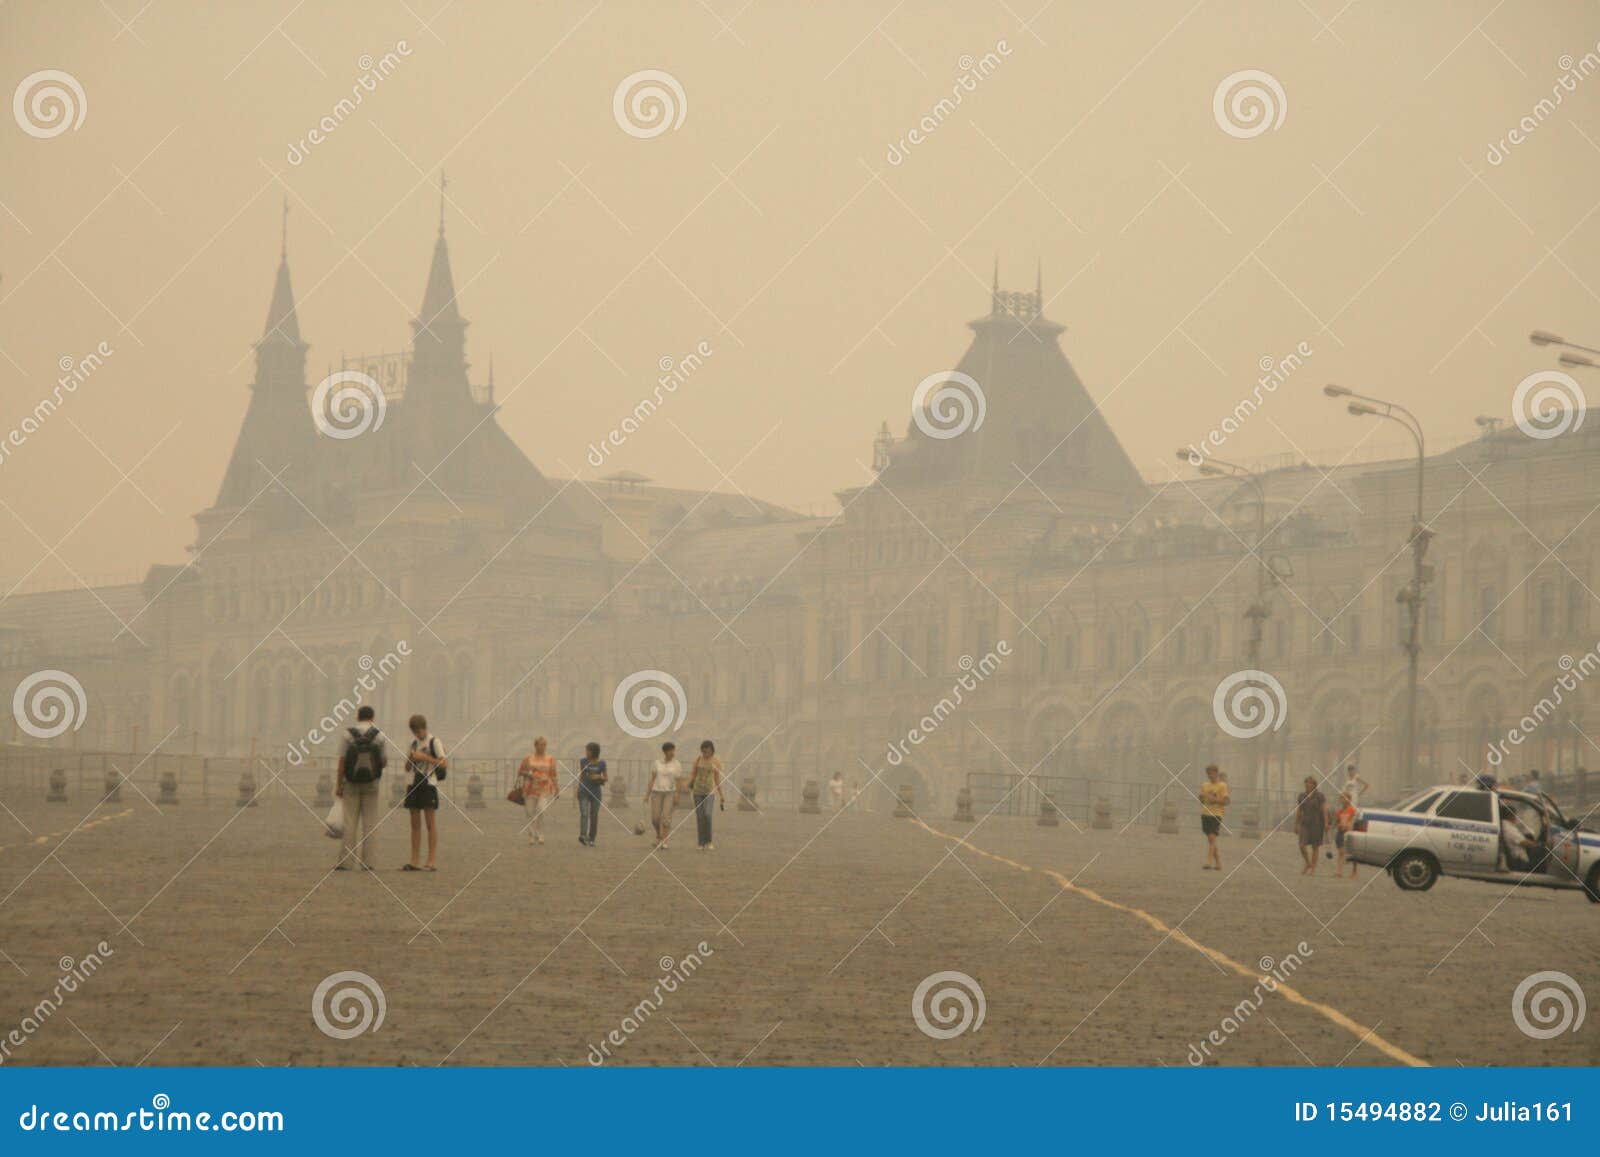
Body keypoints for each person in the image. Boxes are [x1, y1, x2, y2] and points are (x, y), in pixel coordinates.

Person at [335, 705, 386, 870]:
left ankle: (346, 862)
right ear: (372, 718)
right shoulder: (379, 736)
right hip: (371, 784)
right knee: (370, 823)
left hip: (351, 783)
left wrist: (338, 784)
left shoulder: (347, 734)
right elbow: (383, 761)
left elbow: (342, 761)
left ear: (358, 717)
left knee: (350, 823)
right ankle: (368, 862)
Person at [403, 714, 447, 871]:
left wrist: (425, 757)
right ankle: (414, 860)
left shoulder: (434, 741)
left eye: (418, 731)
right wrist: (411, 758)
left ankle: (431, 860)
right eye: (414, 732)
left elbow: (444, 763)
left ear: (424, 728)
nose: (417, 734)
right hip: (413, 783)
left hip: (429, 784)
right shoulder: (413, 743)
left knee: (430, 824)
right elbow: (407, 768)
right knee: (415, 825)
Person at [516, 735, 559, 846]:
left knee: (541, 810)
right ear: (535, 746)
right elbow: (520, 771)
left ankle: (540, 834)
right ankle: (531, 835)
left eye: (544, 745)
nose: (543, 747)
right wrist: (528, 774)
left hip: (544, 789)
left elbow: (553, 774)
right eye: (540, 745)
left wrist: (557, 789)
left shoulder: (550, 759)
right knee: (530, 812)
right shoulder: (528, 759)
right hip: (529, 789)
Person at [690, 740, 724, 850]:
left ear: (712, 750)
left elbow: (717, 778)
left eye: (708, 751)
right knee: (700, 817)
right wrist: (688, 785)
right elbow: (693, 774)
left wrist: (721, 794)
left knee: (708, 815)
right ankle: (701, 843)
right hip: (697, 792)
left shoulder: (716, 761)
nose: (706, 754)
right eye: (704, 751)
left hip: (710, 792)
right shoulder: (698, 760)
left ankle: (708, 841)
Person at [647, 741, 682, 849]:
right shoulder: (657, 763)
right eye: (670, 751)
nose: (672, 753)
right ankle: (659, 835)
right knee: (655, 818)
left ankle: (664, 840)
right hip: (656, 792)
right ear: (665, 751)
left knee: (666, 817)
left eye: (673, 750)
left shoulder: (677, 764)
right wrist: (647, 794)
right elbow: (653, 779)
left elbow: (678, 781)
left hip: (670, 793)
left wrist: (677, 794)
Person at [1295, 776, 1329, 875]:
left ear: (1314, 785)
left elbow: (1324, 810)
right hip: (1305, 823)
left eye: (1310, 783)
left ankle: (1313, 868)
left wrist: (1326, 823)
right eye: (1306, 782)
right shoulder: (1302, 796)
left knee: (1315, 847)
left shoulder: (1319, 796)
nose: (1308, 784)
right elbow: (1299, 810)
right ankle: (1307, 863)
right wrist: (1296, 824)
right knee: (1302, 845)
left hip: (1317, 824)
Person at [1197, 763, 1228, 871]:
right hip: (1205, 814)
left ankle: (1208, 860)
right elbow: (1202, 800)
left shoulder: (1222, 786)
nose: (1210, 776)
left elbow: (1226, 801)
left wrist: (1214, 799)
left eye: (1212, 773)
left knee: (1212, 838)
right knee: (1211, 840)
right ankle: (1218, 863)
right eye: (1209, 774)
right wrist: (1201, 797)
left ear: (1216, 773)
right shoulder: (1205, 785)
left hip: (1216, 814)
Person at [577, 741, 606, 846]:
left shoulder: (602, 763)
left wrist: (598, 777)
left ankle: (592, 838)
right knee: (584, 813)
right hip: (583, 791)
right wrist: (578, 788)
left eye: (588, 750)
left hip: (596, 792)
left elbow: (605, 777)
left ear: (594, 752)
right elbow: (583, 774)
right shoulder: (583, 761)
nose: (586, 752)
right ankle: (583, 835)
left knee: (594, 815)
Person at [1500, 805, 1540, 871]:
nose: (1516, 817)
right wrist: (1537, 844)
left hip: (1517, 860)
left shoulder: (1506, 825)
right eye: (1515, 815)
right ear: (1511, 816)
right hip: (1519, 862)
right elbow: (1524, 842)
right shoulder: (1509, 828)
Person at [1333, 792, 1358, 878]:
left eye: (1344, 798)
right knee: (1341, 853)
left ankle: (1354, 871)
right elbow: (1336, 822)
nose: (1342, 800)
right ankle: (1339, 872)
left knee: (1352, 853)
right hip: (1340, 833)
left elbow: (1354, 821)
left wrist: (1348, 826)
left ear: (1349, 799)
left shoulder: (1352, 810)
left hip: (1349, 833)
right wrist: (1337, 825)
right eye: (1341, 798)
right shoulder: (1340, 811)